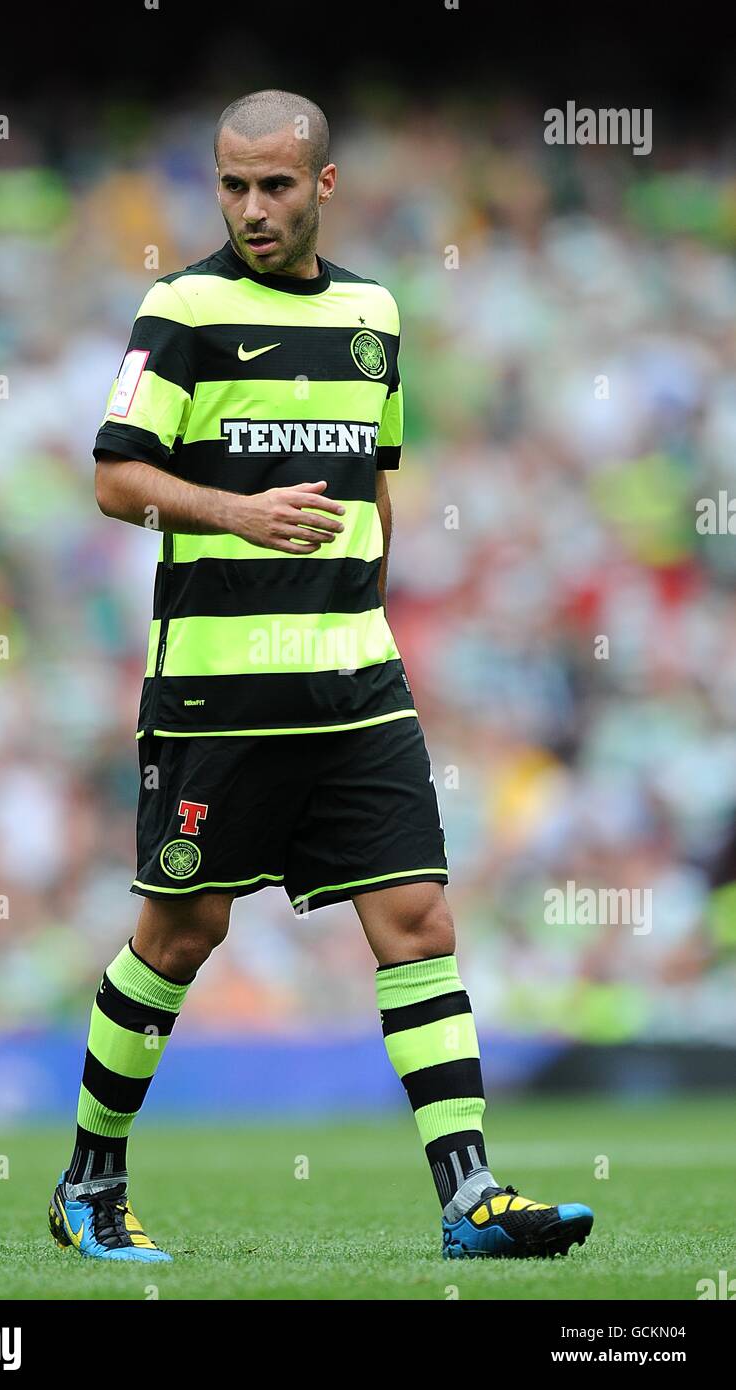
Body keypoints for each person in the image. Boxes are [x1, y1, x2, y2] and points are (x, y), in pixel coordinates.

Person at [47, 88, 593, 1263]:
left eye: (275, 185)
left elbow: (372, 484)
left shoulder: (371, 314)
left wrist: (363, 609)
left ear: (322, 186)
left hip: (355, 682)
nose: (252, 206)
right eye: (233, 185)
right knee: (178, 934)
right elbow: (116, 476)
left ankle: (469, 1197)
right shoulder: (181, 308)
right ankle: (89, 1181)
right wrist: (236, 512)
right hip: (217, 691)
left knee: (416, 920)